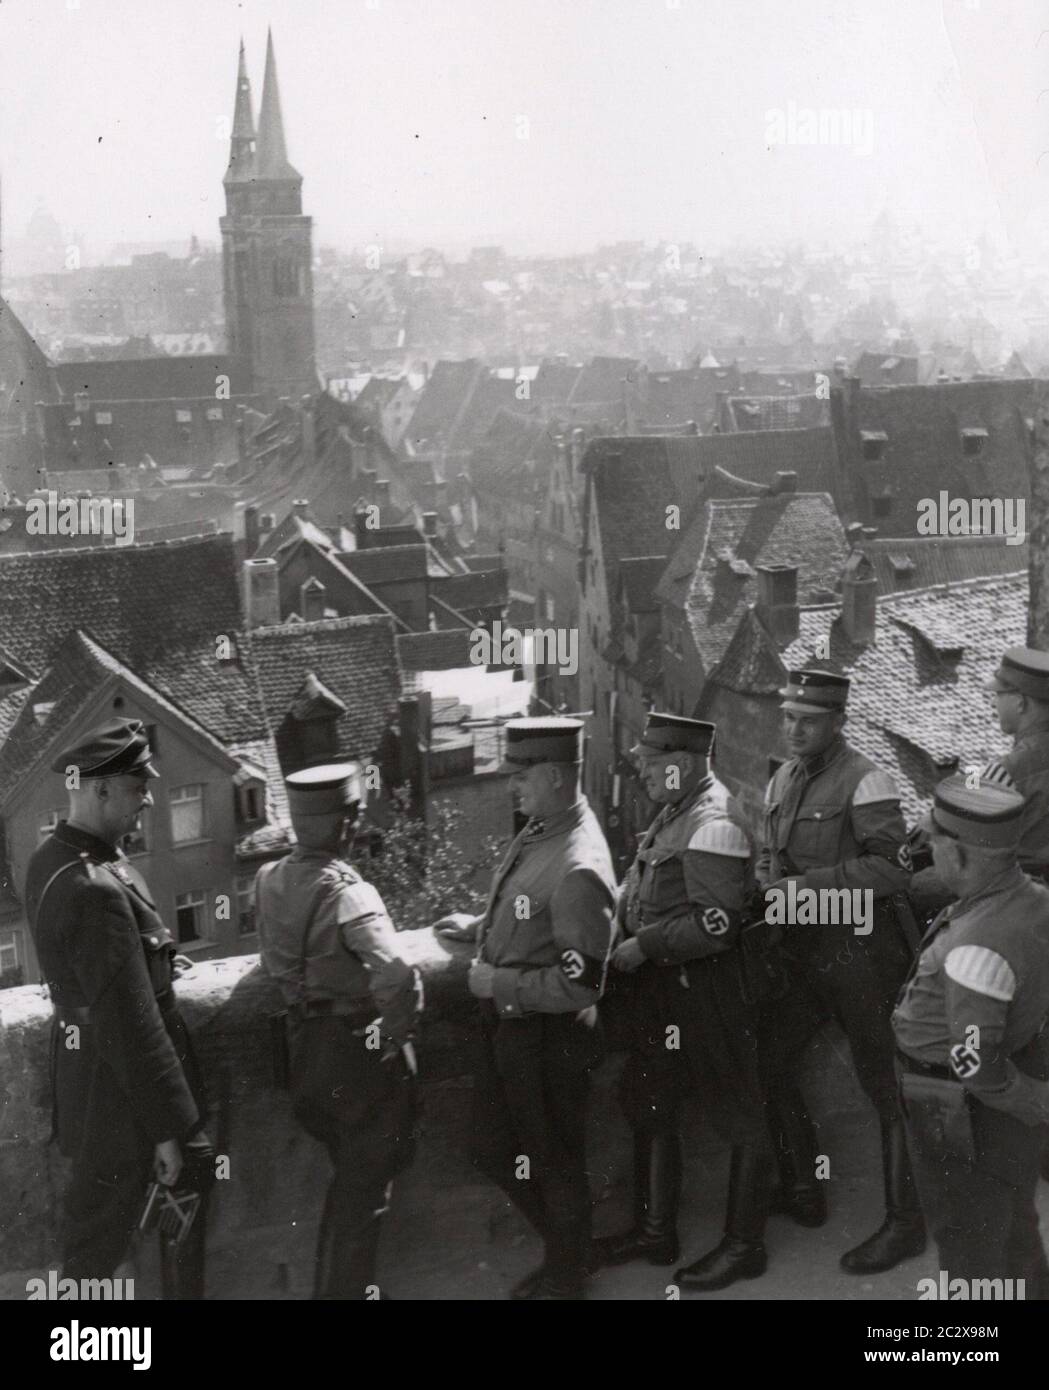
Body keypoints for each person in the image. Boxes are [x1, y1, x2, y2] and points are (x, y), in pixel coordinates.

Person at [24, 718, 213, 1296]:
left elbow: (100, 974)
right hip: (122, 1104)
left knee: (98, 1250)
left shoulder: (53, 857)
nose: (149, 799)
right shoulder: (94, 888)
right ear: (100, 790)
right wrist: (166, 1132)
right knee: (101, 1256)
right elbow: (129, 1024)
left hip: (93, 1093)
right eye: (137, 787)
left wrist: (153, 966)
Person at [591, 713, 774, 1293]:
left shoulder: (713, 822)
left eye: (650, 760)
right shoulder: (675, 812)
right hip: (667, 994)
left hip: (712, 992)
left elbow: (717, 925)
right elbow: (641, 885)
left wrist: (645, 944)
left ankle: (745, 1246)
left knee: (742, 1115)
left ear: (686, 762)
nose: (640, 769)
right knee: (650, 1100)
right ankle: (654, 1231)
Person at [436, 717, 616, 1300]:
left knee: (552, 1160)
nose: (512, 785)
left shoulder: (578, 865)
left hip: (548, 1037)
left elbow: (583, 986)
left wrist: (501, 984)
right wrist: (481, 927)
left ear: (559, 776)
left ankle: (568, 1276)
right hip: (515, 1028)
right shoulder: (545, 827)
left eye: (523, 776)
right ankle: (574, 1251)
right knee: (492, 1149)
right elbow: (524, 904)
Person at [756, 669, 925, 1274]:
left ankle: (905, 1223)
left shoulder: (866, 779)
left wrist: (807, 888)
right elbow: (769, 859)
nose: (794, 728)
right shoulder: (781, 778)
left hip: (861, 956)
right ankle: (804, 1188)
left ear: (837, 722)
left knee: (886, 1087)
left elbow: (893, 871)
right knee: (768, 1061)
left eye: (809, 719)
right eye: (789, 716)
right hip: (802, 956)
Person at [255, 761, 421, 1301]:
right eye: (352, 815)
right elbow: (396, 973)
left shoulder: (268, 879)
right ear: (345, 822)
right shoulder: (350, 892)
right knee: (364, 1194)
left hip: (304, 1055)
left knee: (348, 1185)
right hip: (356, 1056)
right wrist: (396, 1036)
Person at [892, 775, 1049, 1296]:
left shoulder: (976, 948)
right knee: (1011, 1227)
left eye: (934, 844)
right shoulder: (1029, 899)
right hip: (999, 1096)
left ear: (958, 857)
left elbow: (975, 1063)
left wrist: (1029, 1101)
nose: (928, 854)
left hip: (958, 1106)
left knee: (969, 1245)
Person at [979, 646, 1049, 881]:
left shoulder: (1006, 771)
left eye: (999, 695)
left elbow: (970, 846)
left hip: (1020, 896)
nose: (993, 704)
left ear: (1020, 702)